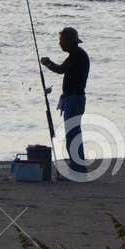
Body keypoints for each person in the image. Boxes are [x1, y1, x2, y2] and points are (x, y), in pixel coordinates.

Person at [41, 27, 90, 176]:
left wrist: (48, 63)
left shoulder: (77, 55)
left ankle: (78, 167)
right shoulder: (76, 54)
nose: (59, 44)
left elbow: (61, 70)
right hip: (73, 98)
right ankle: (77, 166)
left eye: (61, 40)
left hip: (74, 99)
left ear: (70, 41)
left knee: (73, 134)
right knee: (73, 133)